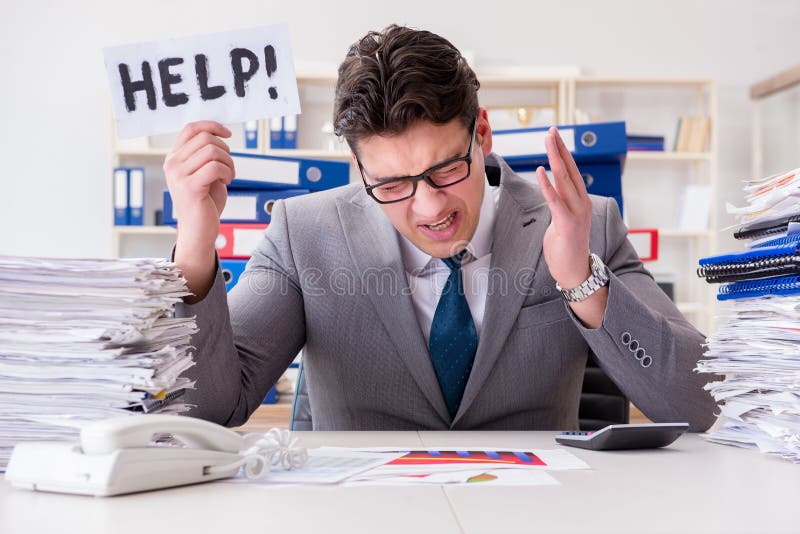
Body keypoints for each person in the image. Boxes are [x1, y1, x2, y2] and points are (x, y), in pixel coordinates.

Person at [165, 24, 716, 431]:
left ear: (482, 133)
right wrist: (194, 244)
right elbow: (207, 411)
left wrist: (580, 280)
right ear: (359, 169)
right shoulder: (302, 233)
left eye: (446, 169)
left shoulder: (586, 225)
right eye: (392, 182)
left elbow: (698, 405)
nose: (429, 208)